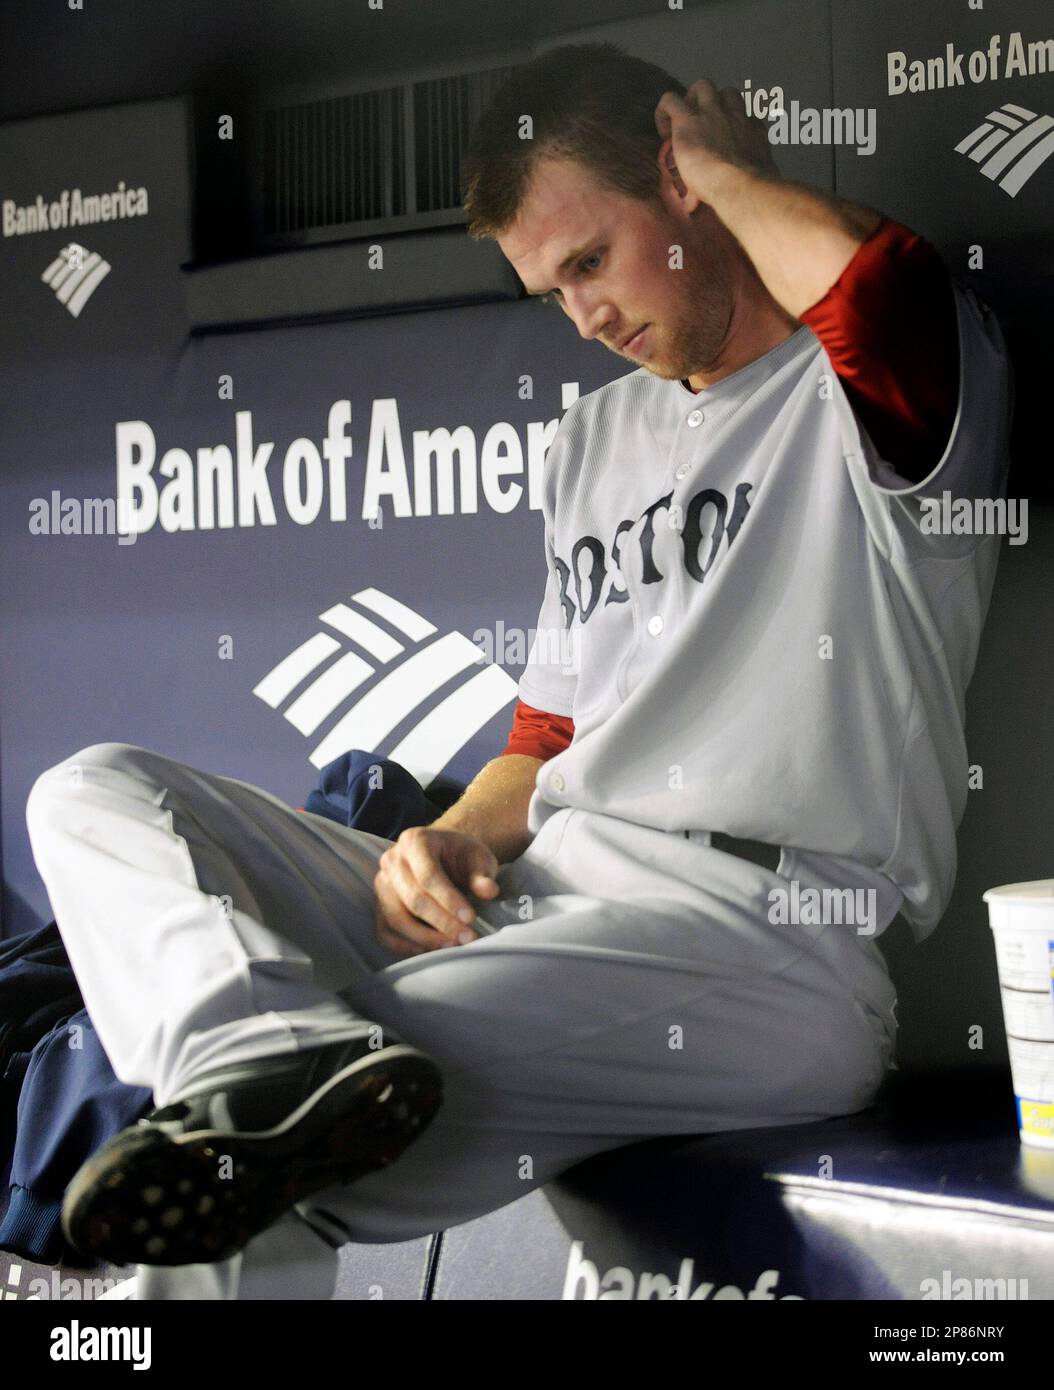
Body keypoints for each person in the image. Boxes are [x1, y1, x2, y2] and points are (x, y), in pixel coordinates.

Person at [23, 41, 1011, 1299]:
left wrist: (727, 167)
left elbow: (887, 296)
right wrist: (445, 835)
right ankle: (257, 1046)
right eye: (550, 291)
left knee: (271, 1152)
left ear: (680, 185)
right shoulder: (593, 436)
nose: (586, 317)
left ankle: (273, 1082)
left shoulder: (859, 385)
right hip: (545, 888)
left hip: (765, 940)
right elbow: (543, 734)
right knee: (93, 793)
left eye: (591, 260)